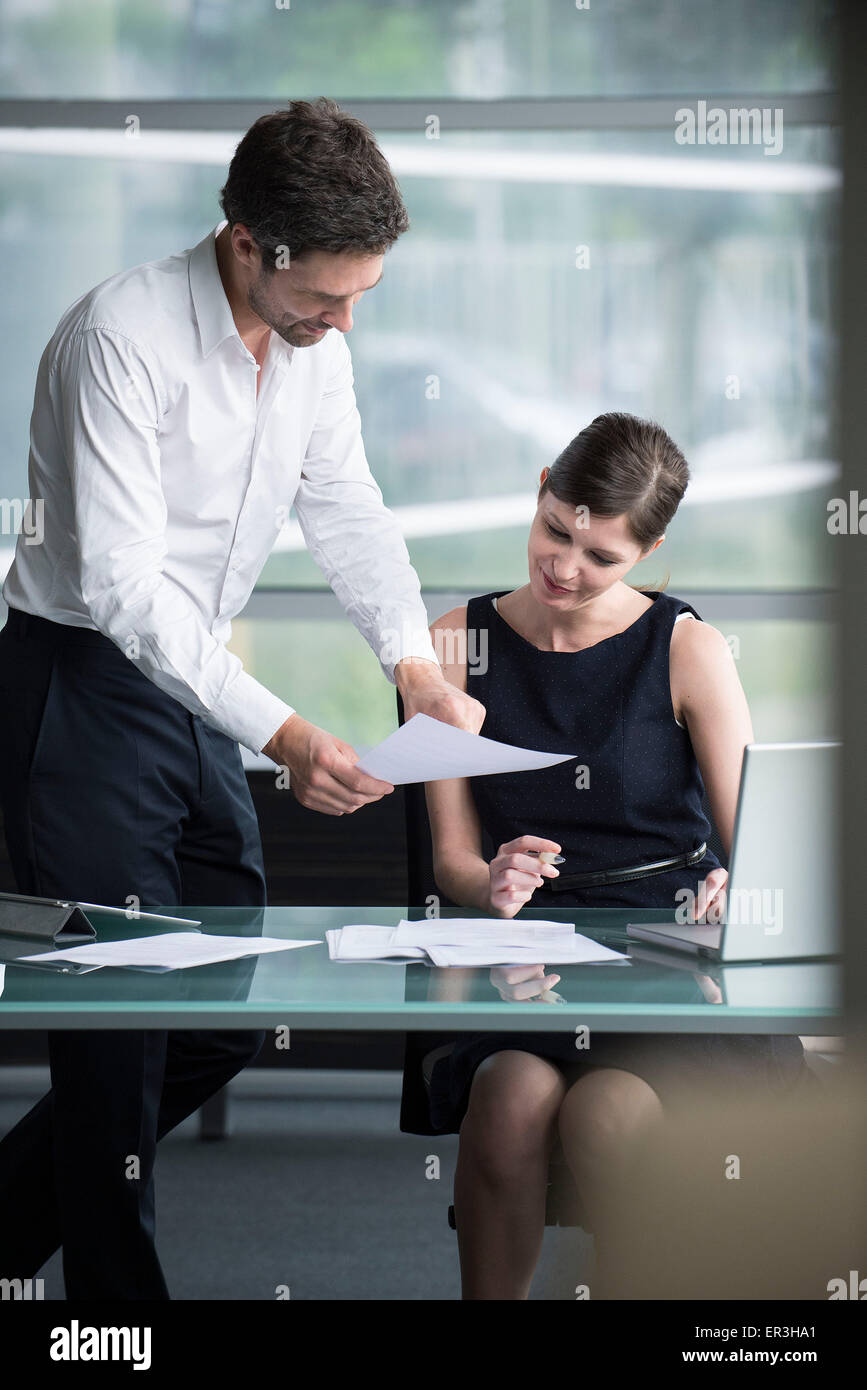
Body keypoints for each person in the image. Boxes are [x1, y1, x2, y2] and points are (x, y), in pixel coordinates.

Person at [0, 97, 482, 1300]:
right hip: (80, 686)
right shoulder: (120, 338)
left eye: (363, 294)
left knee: (219, 1009)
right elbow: (121, 587)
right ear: (247, 240)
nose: (345, 320)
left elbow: (347, 506)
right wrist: (285, 731)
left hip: (189, 685)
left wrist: (412, 663)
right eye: (326, 293)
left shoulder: (318, 348)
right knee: (118, 1035)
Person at [400, 411, 814, 1300]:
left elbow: (756, 851)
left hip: (666, 958)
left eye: (600, 557)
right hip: (525, 957)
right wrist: (490, 880)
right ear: (541, 490)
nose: (563, 567)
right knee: (507, 1099)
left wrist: (732, 881)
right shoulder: (451, 644)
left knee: (607, 1111)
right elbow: (451, 862)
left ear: (648, 550)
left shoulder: (686, 647)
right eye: (555, 532)